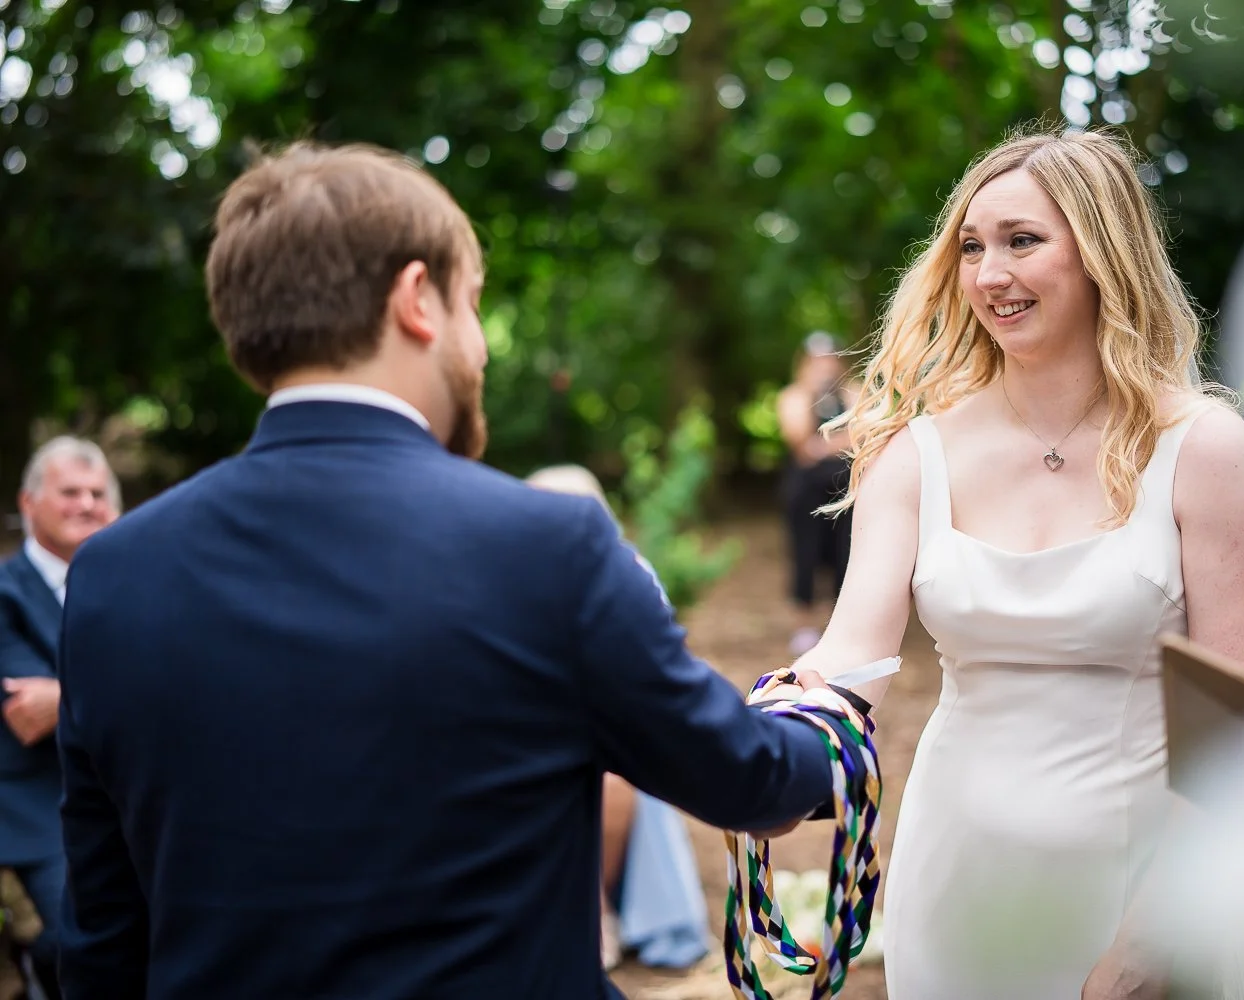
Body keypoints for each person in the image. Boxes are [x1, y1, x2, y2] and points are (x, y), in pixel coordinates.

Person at [53, 142, 866, 1000]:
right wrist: (834, 721)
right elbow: (747, 779)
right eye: (472, 304)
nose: (479, 348)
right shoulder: (548, 547)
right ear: (418, 301)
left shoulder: (113, 575)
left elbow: (102, 938)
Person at [788, 127, 1244, 998]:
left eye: (1022, 241)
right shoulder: (914, 455)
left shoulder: (1206, 450)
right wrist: (776, 735)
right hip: (959, 881)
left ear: (1101, 255)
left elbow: (1242, 724)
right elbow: (850, 655)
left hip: (1149, 882)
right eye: (972, 247)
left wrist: (1154, 938)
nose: (990, 274)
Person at [524, 465, 710, 973]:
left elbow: (657, 679)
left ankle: (594, 907)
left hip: (612, 729)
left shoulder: (629, 576)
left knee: (613, 775)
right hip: (527, 730)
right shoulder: (506, 580)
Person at [0, 436, 120, 1000]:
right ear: (28, 503)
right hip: (40, 809)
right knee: (78, 942)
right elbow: (31, 714)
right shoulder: (5, 595)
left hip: (133, 798)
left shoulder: (133, 585)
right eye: (70, 492)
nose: (87, 504)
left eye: (98, 493)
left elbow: (59, 703)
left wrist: (66, 693)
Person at [776, 332, 856, 656]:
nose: (825, 365)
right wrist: (814, 394)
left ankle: (840, 625)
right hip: (806, 492)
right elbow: (798, 439)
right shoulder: (795, 395)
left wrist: (822, 445)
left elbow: (864, 431)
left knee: (845, 554)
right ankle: (803, 626)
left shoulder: (852, 392)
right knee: (805, 554)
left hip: (845, 488)